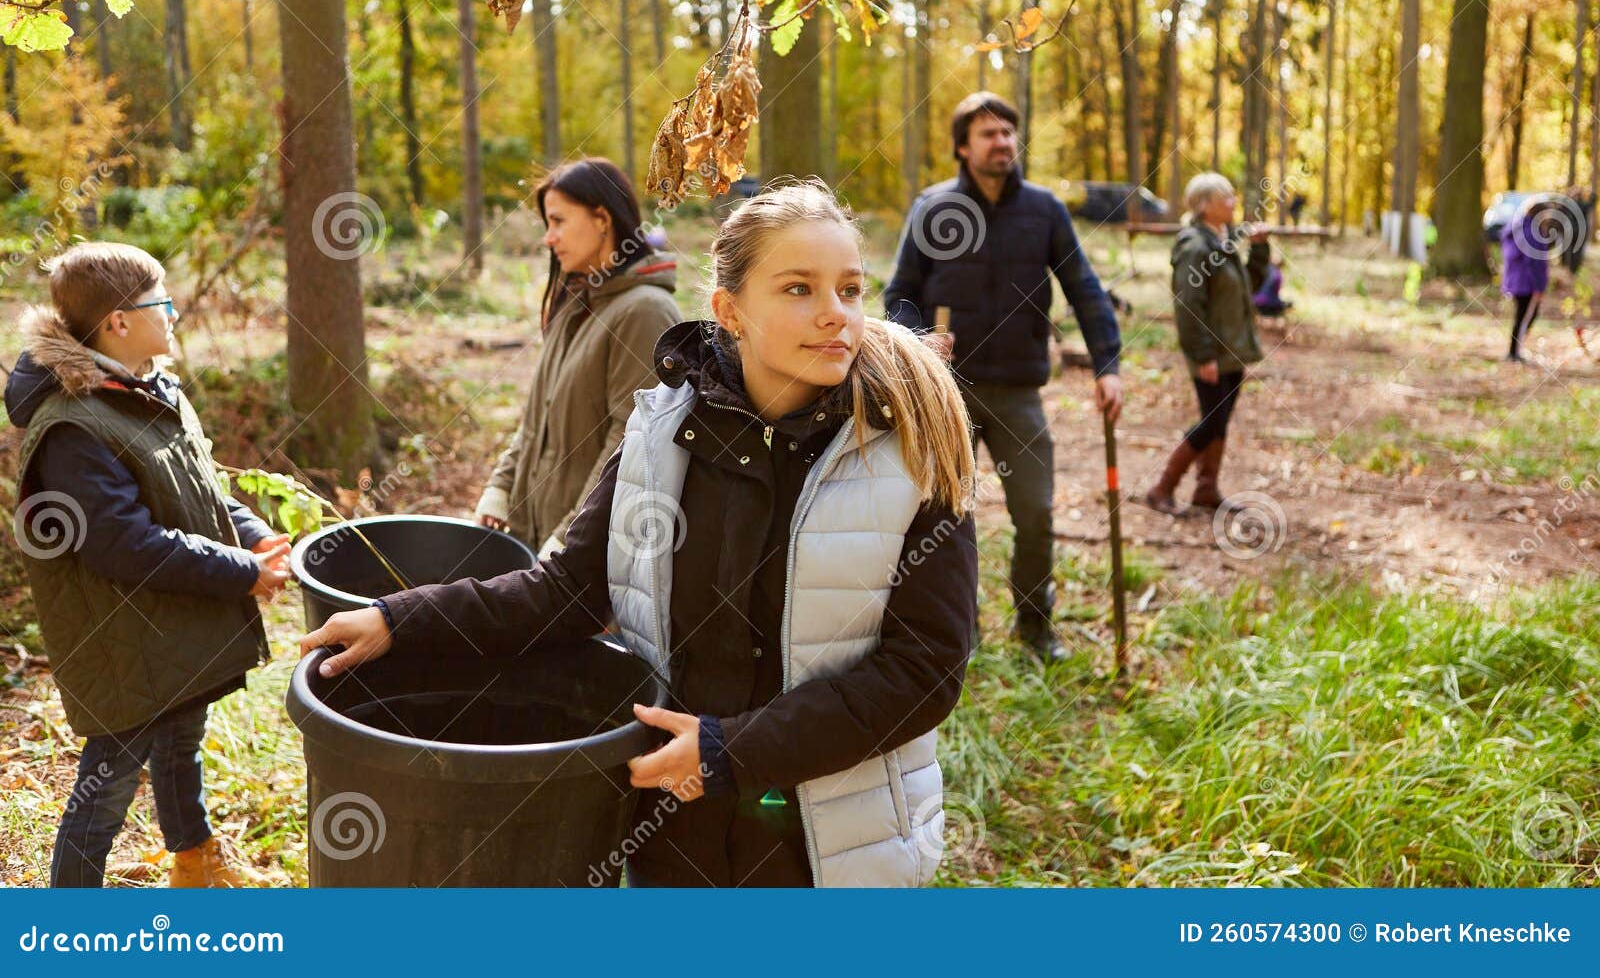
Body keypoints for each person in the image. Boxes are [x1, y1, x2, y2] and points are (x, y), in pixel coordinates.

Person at [301, 182, 979, 888]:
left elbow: (923, 670)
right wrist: (398, 618)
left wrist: (729, 751)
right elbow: (565, 591)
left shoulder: (913, 447)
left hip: (835, 850)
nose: (835, 315)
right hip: (672, 831)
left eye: (849, 289)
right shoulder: (661, 437)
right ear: (730, 310)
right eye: (799, 289)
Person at [4, 243, 289, 888]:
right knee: (109, 781)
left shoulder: (150, 389)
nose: (174, 314)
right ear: (118, 322)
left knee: (182, 741)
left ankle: (194, 864)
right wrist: (240, 571)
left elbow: (199, 491)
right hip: (121, 637)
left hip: (170, 623)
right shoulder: (75, 425)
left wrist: (253, 536)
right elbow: (122, 542)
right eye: (162, 303)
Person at [883, 92, 1122, 662]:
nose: (1004, 143)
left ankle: (1036, 629)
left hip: (1018, 392)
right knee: (938, 519)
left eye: (1010, 133)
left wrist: (1108, 366)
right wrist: (917, 347)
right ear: (963, 147)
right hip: (947, 395)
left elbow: (1084, 288)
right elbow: (900, 296)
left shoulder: (1044, 210)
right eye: (989, 134)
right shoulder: (933, 206)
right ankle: (950, 631)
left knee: (1035, 513)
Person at [475, 159, 680, 554]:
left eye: (558, 221)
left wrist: (571, 536)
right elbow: (538, 415)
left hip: (587, 561)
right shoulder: (575, 303)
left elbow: (631, 444)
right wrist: (501, 488)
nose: (548, 238)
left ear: (602, 219)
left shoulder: (644, 312)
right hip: (538, 546)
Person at [1144, 173, 1264, 515]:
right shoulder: (1195, 247)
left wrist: (1260, 249)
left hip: (1232, 351)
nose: (1233, 201)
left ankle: (1206, 490)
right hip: (1211, 353)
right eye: (1225, 197)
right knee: (1212, 420)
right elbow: (1187, 305)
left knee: (1220, 421)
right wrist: (1203, 354)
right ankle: (1162, 488)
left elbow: (1247, 287)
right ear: (1204, 206)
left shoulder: (1221, 241)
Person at [1502, 195, 1558, 363]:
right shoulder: (1531, 232)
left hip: (1517, 279)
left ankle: (1515, 350)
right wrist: (1539, 285)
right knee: (1525, 316)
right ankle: (1514, 352)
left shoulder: (1518, 227)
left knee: (1523, 315)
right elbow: (1533, 261)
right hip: (1526, 281)